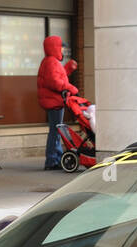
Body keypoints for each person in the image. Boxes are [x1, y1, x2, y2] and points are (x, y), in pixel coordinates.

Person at [36, 35, 78, 170]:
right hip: (54, 102)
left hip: (54, 101)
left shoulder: (51, 61)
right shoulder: (51, 62)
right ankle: (52, 160)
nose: (63, 50)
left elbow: (56, 76)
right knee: (55, 131)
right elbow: (54, 82)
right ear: (55, 47)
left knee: (56, 130)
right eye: (61, 48)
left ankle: (56, 158)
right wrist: (70, 87)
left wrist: (68, 69)